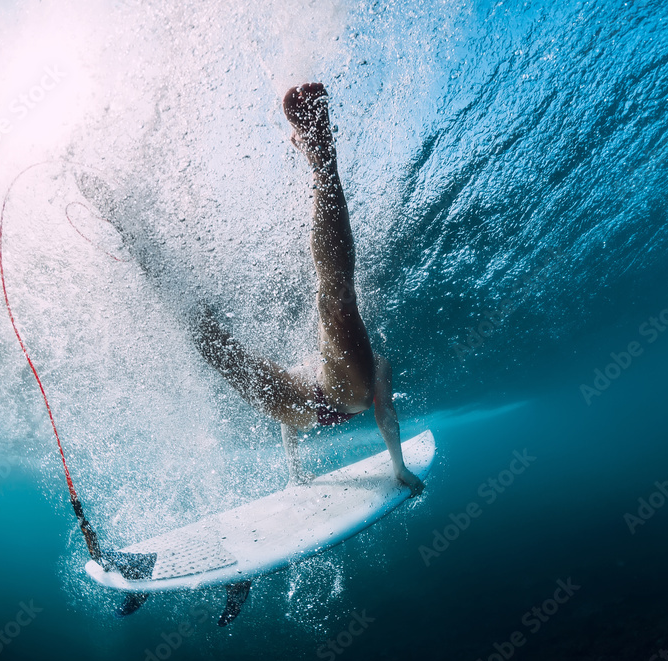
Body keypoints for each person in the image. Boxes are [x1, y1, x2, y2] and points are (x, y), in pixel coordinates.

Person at [87, 83, 424, 496]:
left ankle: (135, 239)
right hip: (321, 399)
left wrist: (298, 470)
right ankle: (321, 160)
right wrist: (396, 468)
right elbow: (384, 414)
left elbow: (381, 413)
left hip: (307, 406)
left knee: (228, 346)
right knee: (331, 301)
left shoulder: (372, 363)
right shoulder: (373, 365)